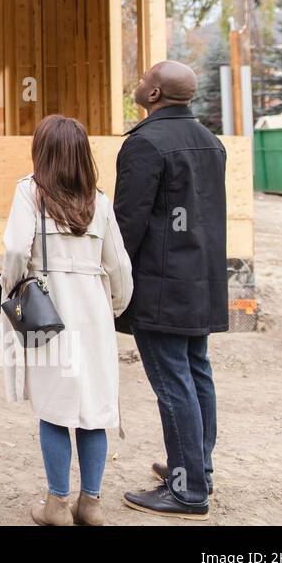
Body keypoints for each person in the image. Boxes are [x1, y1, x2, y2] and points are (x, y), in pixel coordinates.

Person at [1, 115, 133, 526]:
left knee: (54, 407)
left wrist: (11, 291)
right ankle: (90, 504)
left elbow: (15, 251)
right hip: (92, 311)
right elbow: (120, 267)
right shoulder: (100, 201)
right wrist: (113, 306)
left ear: (42, 151)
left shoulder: (30, 193)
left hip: (48, 313)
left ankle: (57, 504)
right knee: (93, 407)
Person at [114, 60, 227, 520]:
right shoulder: (210, 142)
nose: (138, 84)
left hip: (160, 286)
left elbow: (128, 223)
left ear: (156, 94)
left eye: (144, 80)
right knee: (196, 371)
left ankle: (188, 493)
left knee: (173, 382)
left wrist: (112, 278)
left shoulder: (145, 144)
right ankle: (196, 469)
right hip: (200, 281)